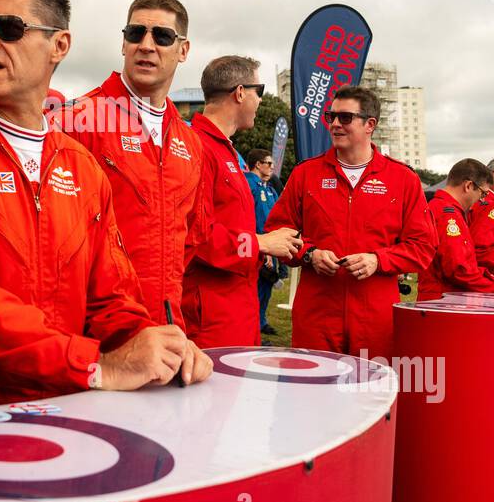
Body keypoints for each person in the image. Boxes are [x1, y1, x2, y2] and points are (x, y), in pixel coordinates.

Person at [0, 0, 211, 402]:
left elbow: (111, 295)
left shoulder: (81, 167)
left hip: (68, 408)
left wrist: (157, 342)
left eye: (9, 29)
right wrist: (93, 365)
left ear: (60, 45)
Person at [57, 0, 203, 329]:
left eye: (162, 36)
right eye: (135, 33)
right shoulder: (77, 121)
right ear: (124, 44)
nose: (146, 45)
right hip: (95, 334)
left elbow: (190, 240)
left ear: (183, 50)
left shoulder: (191, 143)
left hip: (165, 331)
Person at [264, 86, 435, 360]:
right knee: (312, 393)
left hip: (374, 317)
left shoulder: (402, 179)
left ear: (370, 124)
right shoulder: (305, 174)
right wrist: (309, 254)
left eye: (344, 118)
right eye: (330, 116)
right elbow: (278, 231)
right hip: (317, 314)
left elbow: (423, 246)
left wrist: (378, 260)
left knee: (370, 395)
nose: (334, 124)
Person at [182, 57, 302, 347]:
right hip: (211, 316)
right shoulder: (196, 146)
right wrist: (259, 243)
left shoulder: (225, 151)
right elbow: (195, 235)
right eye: (259, 92)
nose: (260, 102)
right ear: (239, 93)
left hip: (235, 307)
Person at [417, 159, 494, 301]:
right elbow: (459, 270)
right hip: (443, 301)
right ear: (468, 186)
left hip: (442, 299)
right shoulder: (448, 215)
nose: (481, 199)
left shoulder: (446, 209)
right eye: (483, 193)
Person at [245, 148, 283, 335]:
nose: (272, 167)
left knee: (265, 287)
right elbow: (247, 218)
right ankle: (252, 328)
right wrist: (262, 247)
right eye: (268, 163)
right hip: (254, 245)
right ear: (258, 164)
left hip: (271, 246)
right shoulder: (248, 185)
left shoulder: (268, 189)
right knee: (252, 290)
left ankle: (261, 322)